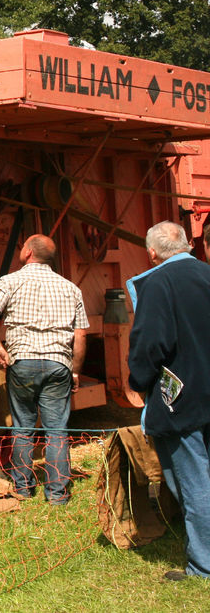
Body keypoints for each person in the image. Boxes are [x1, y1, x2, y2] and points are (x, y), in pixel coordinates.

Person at [127, 221, 210, 581]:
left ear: (152, 253)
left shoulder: (157, 282)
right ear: (189, 244)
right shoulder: (207, 274)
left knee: (194, 484)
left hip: (182, 401)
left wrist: (138, 381)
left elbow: (150, 344)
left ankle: (204, 567)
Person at [0, 234, 88, 504]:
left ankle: (23, 489)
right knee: (56, 431)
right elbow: (81, 334)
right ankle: (57, 495)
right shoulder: (70, 288)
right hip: (58, 363)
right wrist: (75, 371)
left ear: (27, 252)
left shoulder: (9, 281)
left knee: (23, 428)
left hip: (23, 362)